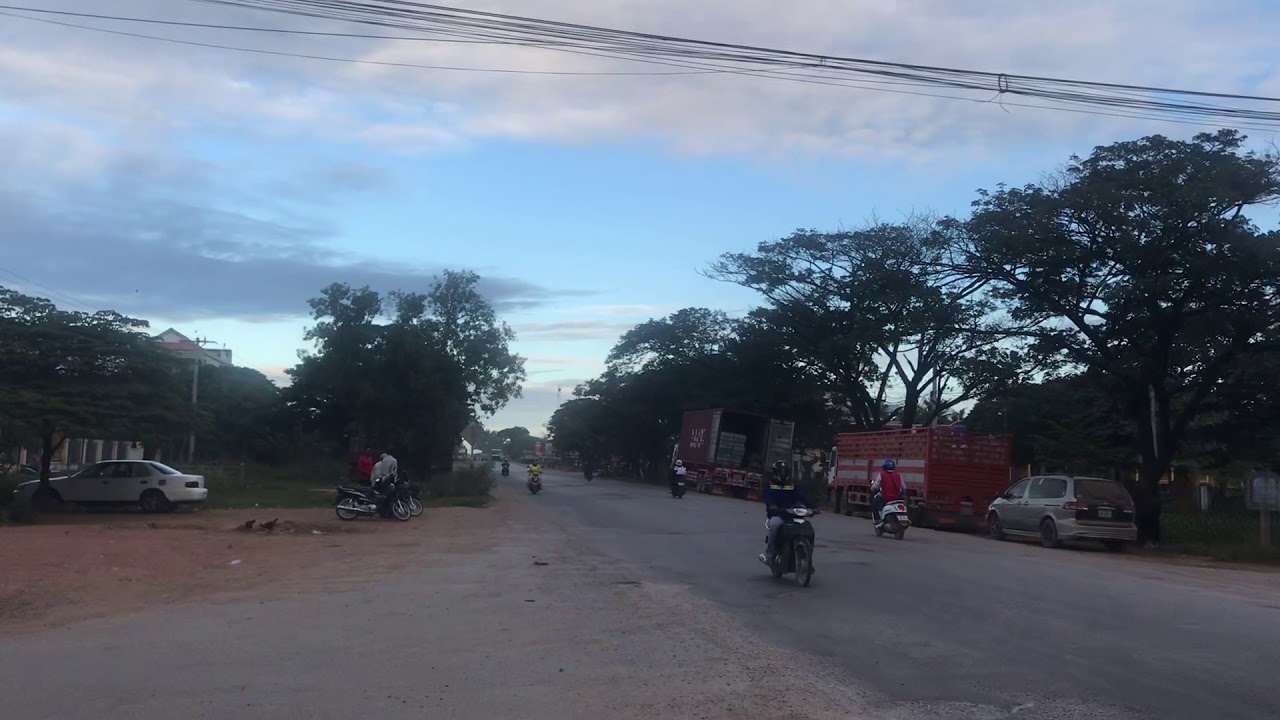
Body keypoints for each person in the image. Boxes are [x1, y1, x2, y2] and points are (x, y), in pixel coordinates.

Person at [759, 460, 815, 564]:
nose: (783, 474)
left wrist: (813, 507)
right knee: (774, 525)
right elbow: (768, 498)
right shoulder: (770, 485)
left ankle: (808, 558)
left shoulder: (793, 485)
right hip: (778, 514)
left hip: (793, 514)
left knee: (808, 528)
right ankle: (770, 555)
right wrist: (773, 507)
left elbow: (803, 496)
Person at [871, 459, 904, 524]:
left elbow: (875, 487)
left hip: (886, 497)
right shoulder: (898, 475)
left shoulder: (882, 475)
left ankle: (878, 519)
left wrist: (872, 489)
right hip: (897, 498)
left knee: (875, 502)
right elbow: (904, 487)